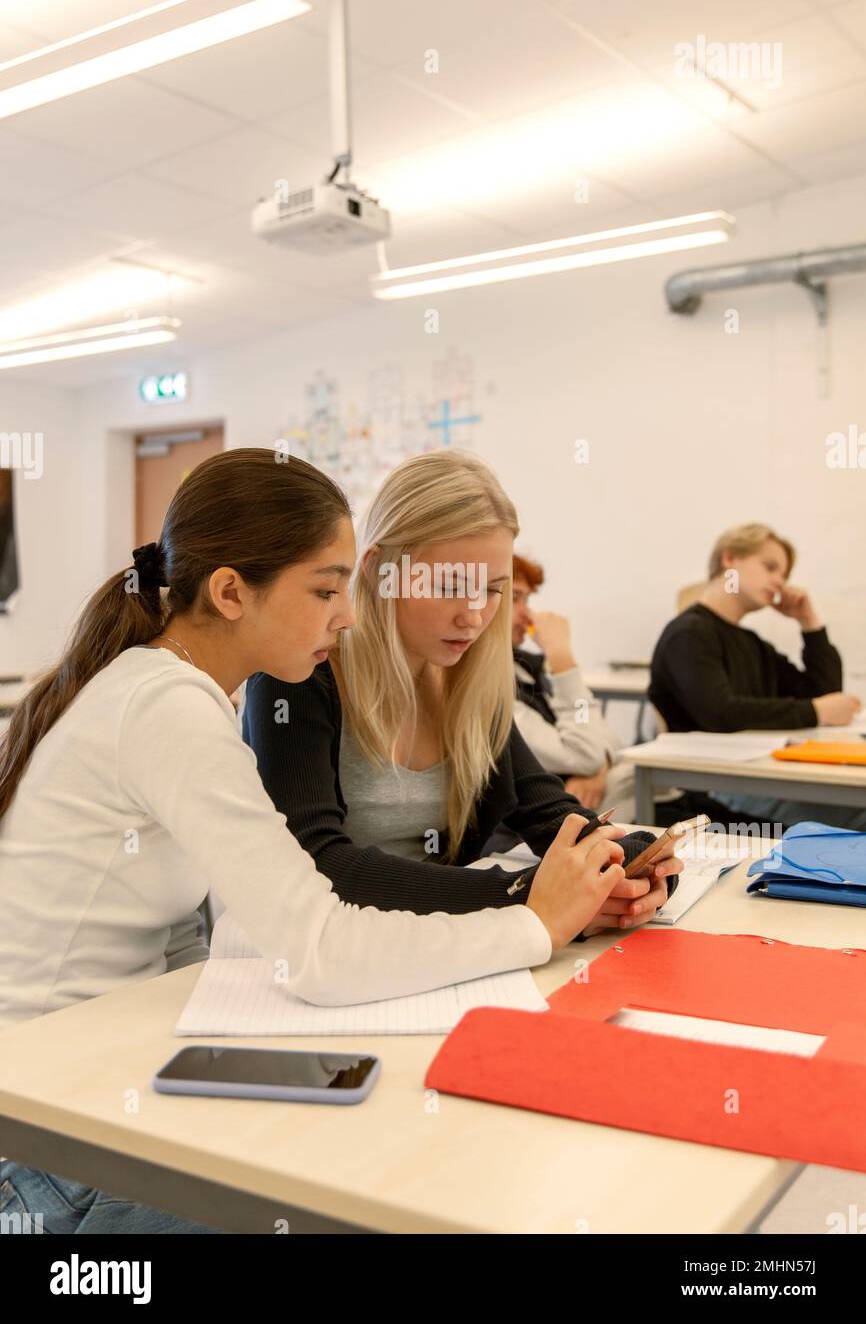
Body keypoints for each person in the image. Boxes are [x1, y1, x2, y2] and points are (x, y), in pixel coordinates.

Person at [0, 448, 629, 1234]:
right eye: (327, 589)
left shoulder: (174, 693)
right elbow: (319, 951)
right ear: (231, 592)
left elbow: (203, 944)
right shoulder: (165, 707)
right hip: (51, 1155)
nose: (350, 613)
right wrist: (535, 922)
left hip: (96, 1086)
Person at [243, 450, 681, 932]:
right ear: (378, 571)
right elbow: (318, 864)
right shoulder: (299, 677)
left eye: (494, 589)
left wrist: (640, 869)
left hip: (444, 943)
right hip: (329, 953)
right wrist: (529, 893)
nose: (473, 615)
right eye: (451, 585)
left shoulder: (469, 680)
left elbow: (553, 816)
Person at [649, 521, 865, 830]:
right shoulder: (689, 633)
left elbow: (824, 693)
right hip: (714, 788)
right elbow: (720, 713)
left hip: (755, 777)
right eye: (770, 567)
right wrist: (816, 711)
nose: (780, 582)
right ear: (729, 560)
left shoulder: (751, 643)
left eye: (785, 575)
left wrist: (809, 621)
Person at [509, 554, 635, 816]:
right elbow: (584, 754)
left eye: (528, 599)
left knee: (631, 778)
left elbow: (609, 737)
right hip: (525, 826)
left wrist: (599, 770)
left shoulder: (528, 667)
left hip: (573, 806)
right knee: (632, 784)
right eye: (514, 599)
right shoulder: (491, 686)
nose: (528, 614)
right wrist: (562, 657)